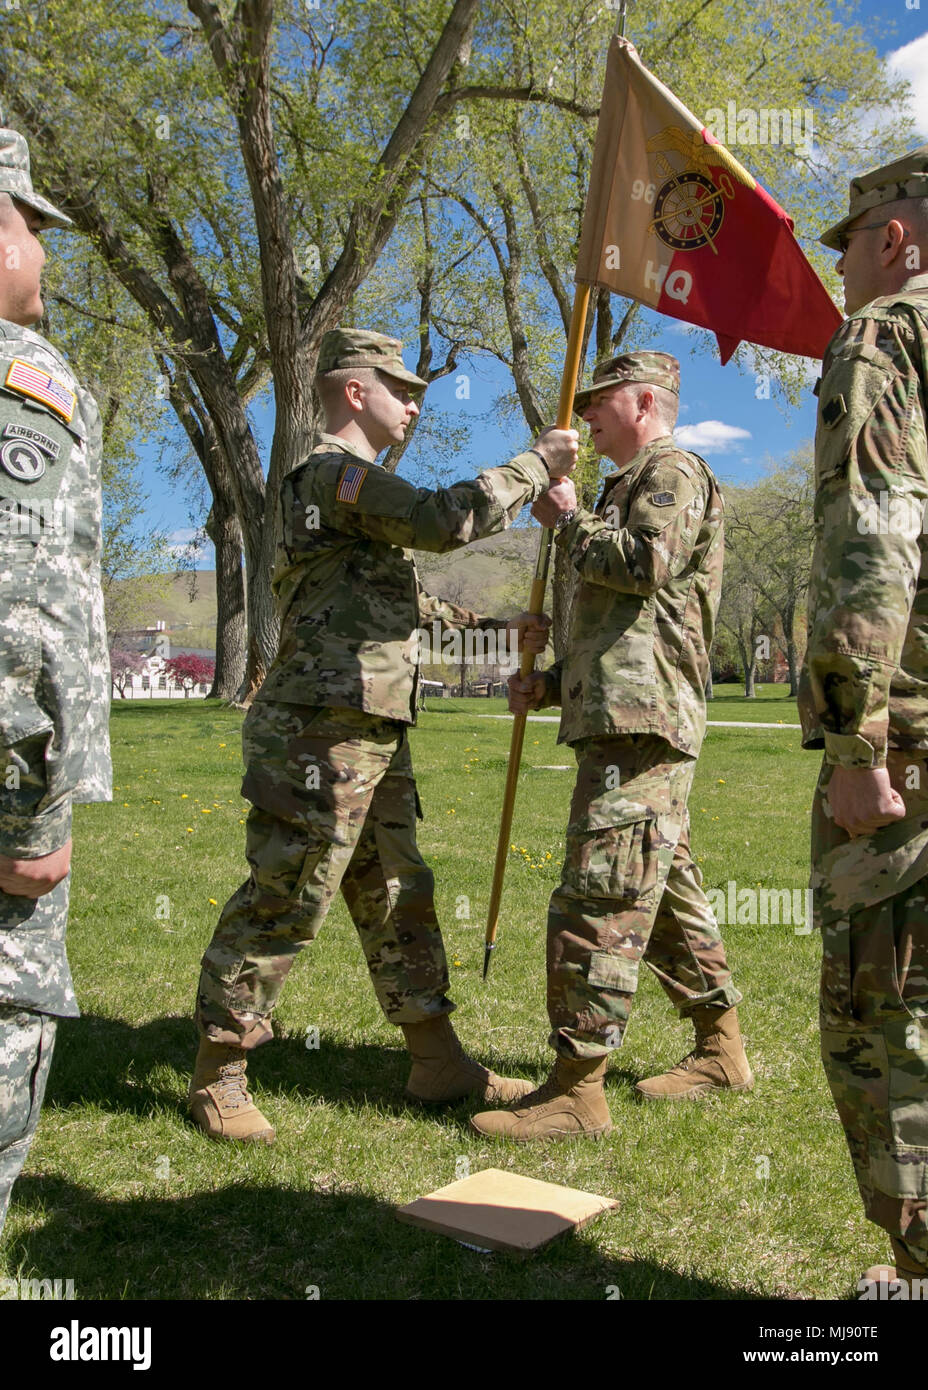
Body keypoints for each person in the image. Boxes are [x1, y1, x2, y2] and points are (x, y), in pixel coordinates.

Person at [189, 328, 579, 1142]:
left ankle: (437, 1059)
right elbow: (445, 519)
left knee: (398, 891)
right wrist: (536, 464)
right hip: (319, 730)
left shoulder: (353, 497)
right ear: (354, 390)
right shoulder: (333, 475)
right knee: (287, 893)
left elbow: (409, 608)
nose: (413, 403)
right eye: (400, 388)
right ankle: (219, 1068)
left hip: (371, 726)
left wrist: (502, 630)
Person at [471, 350, 750, 1143]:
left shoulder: (672, 472)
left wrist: (567, 520)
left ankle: (578, 1090)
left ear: (644, 403)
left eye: (600, 400)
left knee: (601, 897)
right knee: (662, 896)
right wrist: (551, 684)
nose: (586, 414)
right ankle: (721, 1048)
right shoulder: (623, 487)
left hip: (643, 724)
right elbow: (624, 629)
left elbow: (645, 565)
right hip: (624, 716)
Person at [798, 145, 928, 1296]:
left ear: (894, 238)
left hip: (909, 749)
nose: (838, 271)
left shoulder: (884, 337)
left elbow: (871, 539)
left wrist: (855, 745)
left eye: (846, 247)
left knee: (884, 1019)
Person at [0, 129, 111, 1234]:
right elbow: (19, 610)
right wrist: (26, 814)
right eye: (35, 228)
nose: (46, 255)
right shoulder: (23, 384)